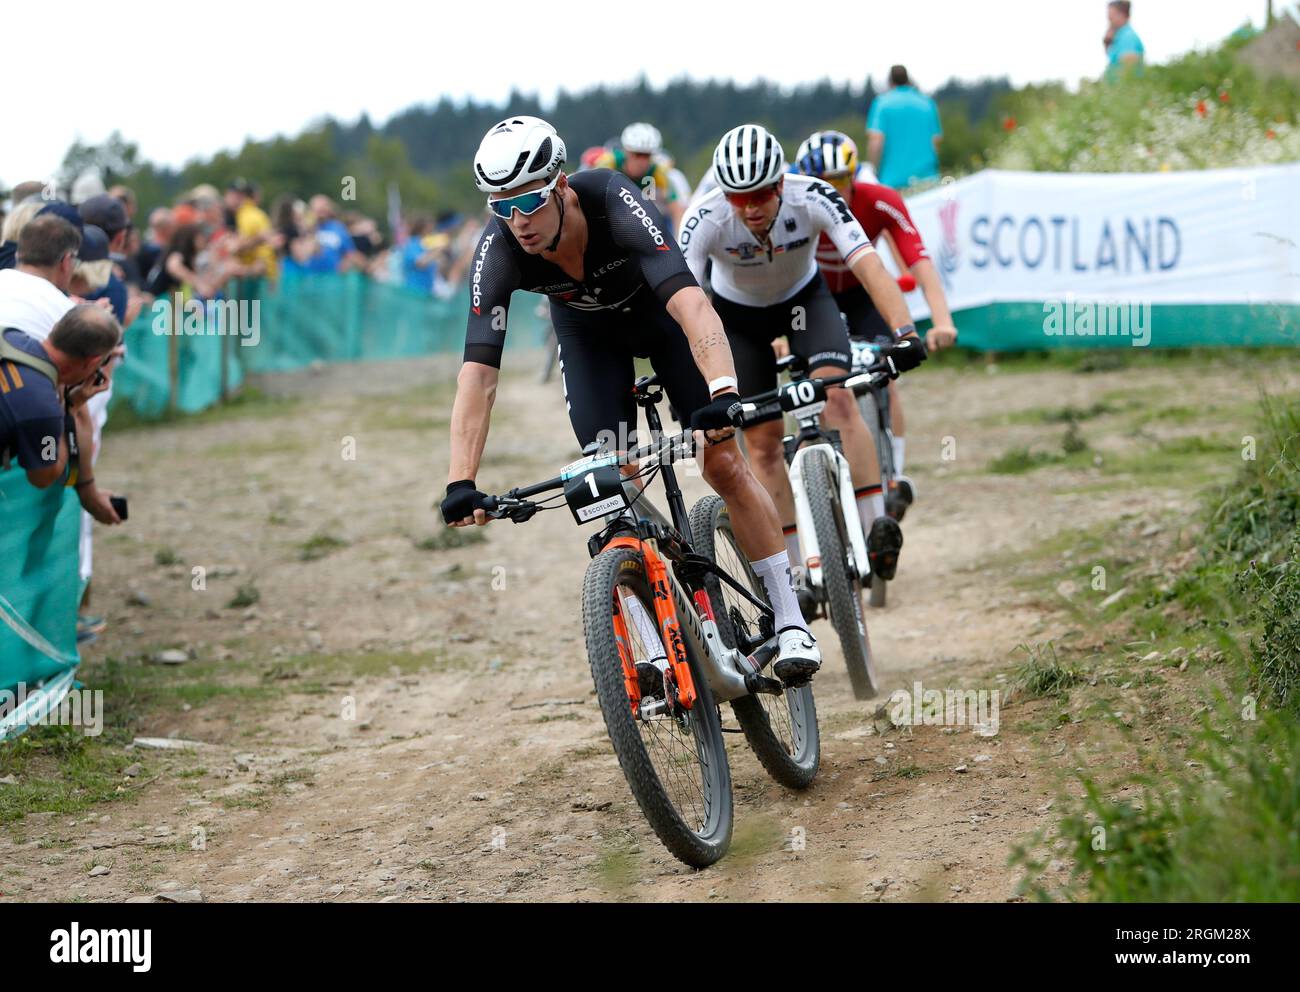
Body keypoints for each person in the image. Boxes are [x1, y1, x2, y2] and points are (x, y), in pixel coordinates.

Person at [441, 116, 823, 684]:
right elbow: (478, 374)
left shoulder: (613, 199)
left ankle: (791, 619)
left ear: (562, 184)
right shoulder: (499, 248)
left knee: (721, 460)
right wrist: (460, 480)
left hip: (662, 321)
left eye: (529, 200)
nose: (517, 220)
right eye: (501, 206)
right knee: (604, 490)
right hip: (591, 341)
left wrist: (722, 393)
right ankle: (649, 654)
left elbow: (694, 307)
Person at [678, 124, 927, 593]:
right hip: (739, 321)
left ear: (781, 183)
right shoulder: (705, 216)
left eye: (760, 195)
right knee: (765, 442)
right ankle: (795, 572)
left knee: (839, 398)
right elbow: (683, 301)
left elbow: (868, 262)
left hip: (805, 305)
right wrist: (685, 376)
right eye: (738, 198)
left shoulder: (812, 195)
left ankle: (877, 528)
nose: (749, 208)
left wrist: (905, 332)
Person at [794, 130, 958, 519]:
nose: (830, 192)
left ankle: (896, 475)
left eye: (838, 182)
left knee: (888, 372)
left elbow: (920, 262)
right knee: (813, 386)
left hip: (864, 292)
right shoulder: (794, 208)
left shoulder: (880, 200)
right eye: (820, 184)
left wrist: (941, 321)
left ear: (853, 177)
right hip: (814, 300)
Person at [594, 123, 686, 232]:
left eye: (647, 156)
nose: (641, 161)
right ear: (626, 152)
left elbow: (676, 208)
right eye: (637, 154)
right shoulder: (608, 163)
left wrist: (678, 240)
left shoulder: (658, 172)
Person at [866, 66, 943, 191]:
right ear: (908, 80)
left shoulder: (882, 104)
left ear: (890, 82)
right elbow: (936, 142)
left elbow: (876, 141)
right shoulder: (927, 103)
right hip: (928, 182)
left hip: (893, 184)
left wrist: (873, 171)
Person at [1104, 1, 1145, 80]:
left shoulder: (1127, 37)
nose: (1109, 21)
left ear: (1122, 15)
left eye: (1111, 17)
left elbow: (1129, 71)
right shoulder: (1118, 36)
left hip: (1123, 89)